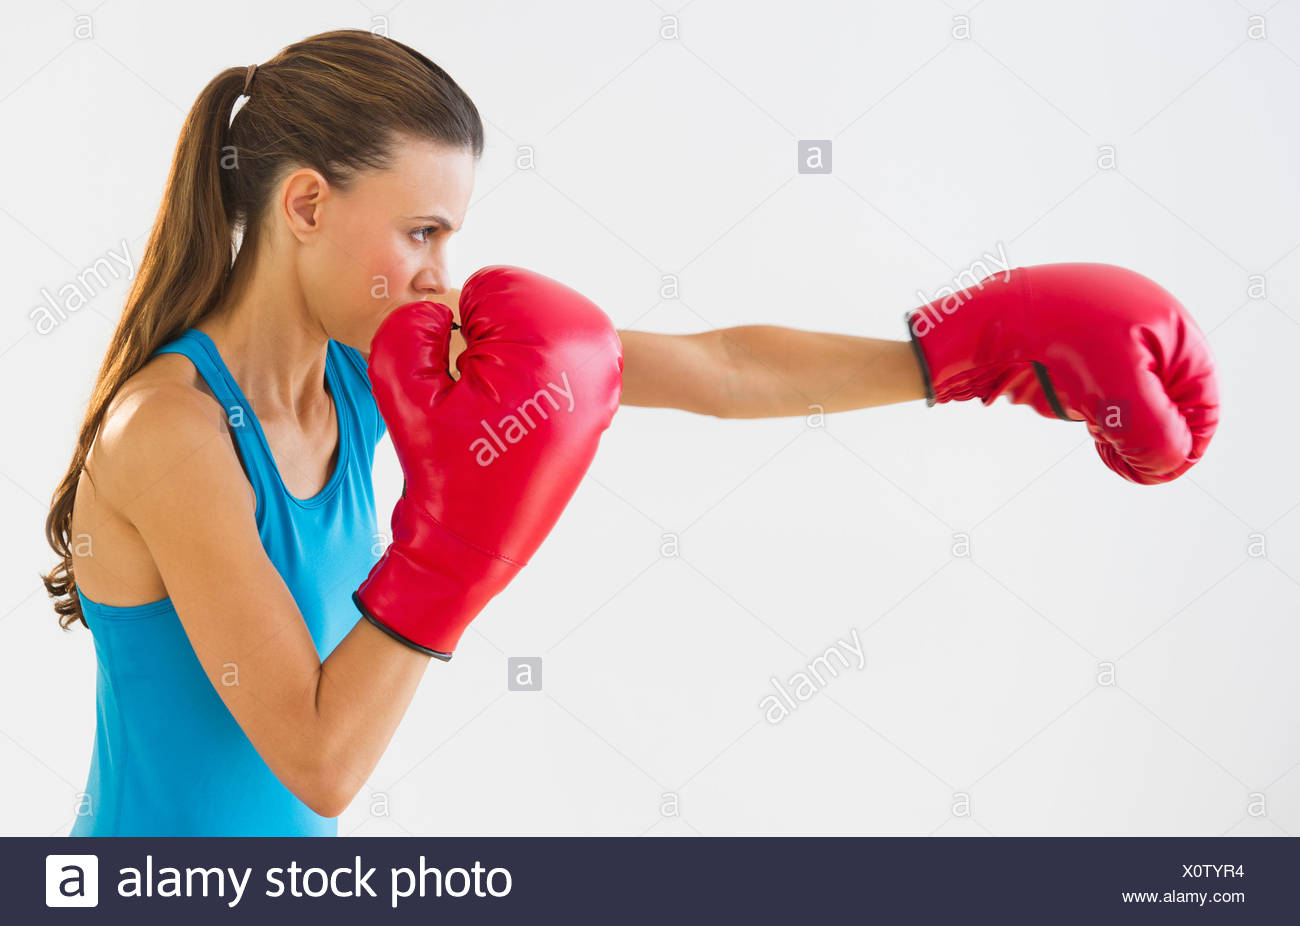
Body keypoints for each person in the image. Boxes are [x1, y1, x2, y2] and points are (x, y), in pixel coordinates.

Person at [44, 30, 1218, 836]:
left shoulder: (368, 371)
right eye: (420, 232)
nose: (438, 276)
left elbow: (710, 365)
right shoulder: (170, 432)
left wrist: (961, 356)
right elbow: (318, 757)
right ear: (305, 202)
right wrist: (456, 548)